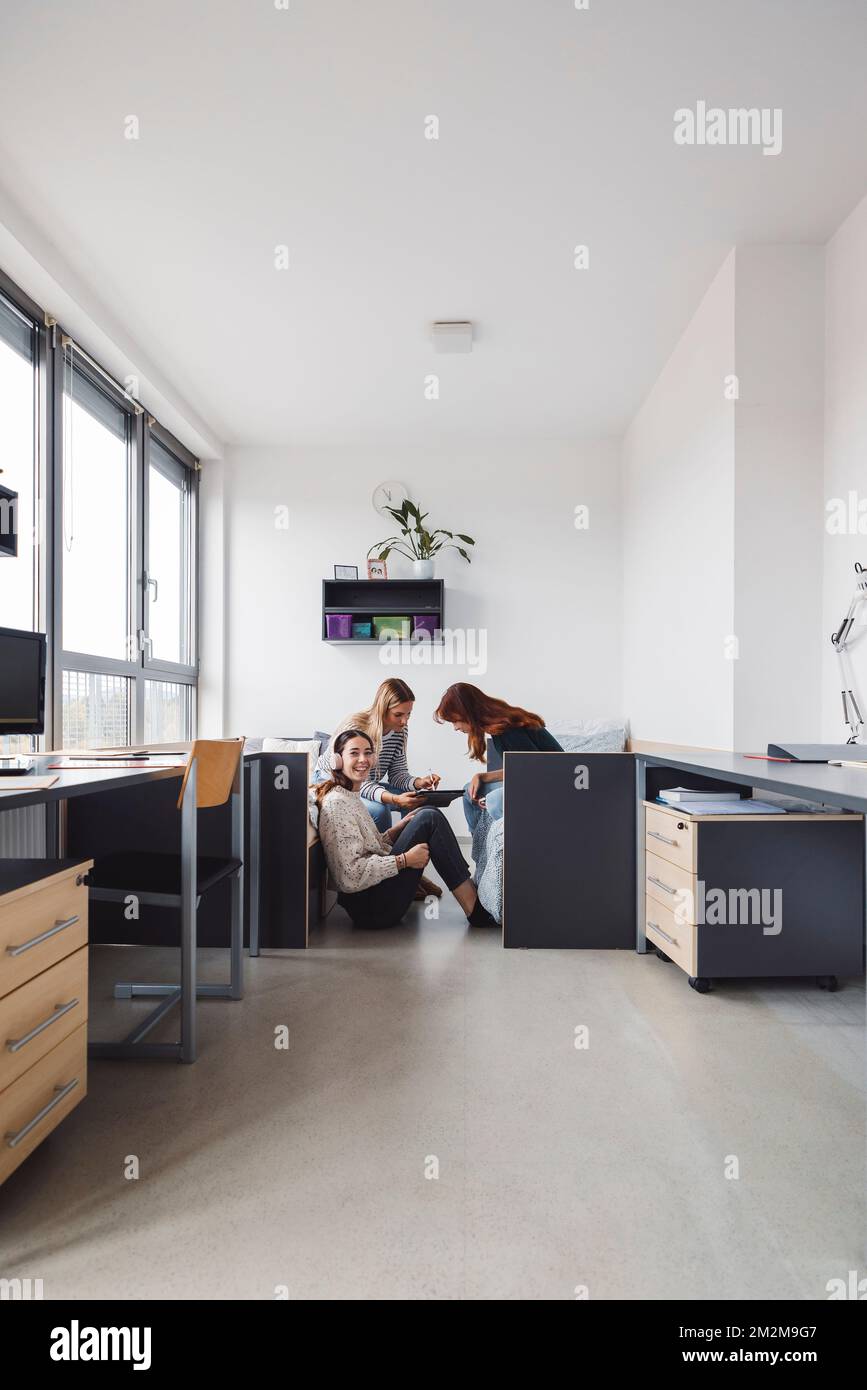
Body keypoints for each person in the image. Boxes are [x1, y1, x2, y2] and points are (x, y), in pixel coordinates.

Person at [313, 727, 497, 930]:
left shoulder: (349, 795)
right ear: (337, 760)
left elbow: (368, 848)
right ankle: (475, 909)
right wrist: (404, 860)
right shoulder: (338, 803)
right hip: (371, 909)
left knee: (424, 812)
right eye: (354, 753)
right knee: (429, 817)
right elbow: (350, 875)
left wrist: (395, 831)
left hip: (373, 897)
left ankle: (472, 896)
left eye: (367, 752)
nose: (363, 759)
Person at [312, 678, 440, 832]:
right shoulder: (356, 727)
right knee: (379, 811)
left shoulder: (400, 731)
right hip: (334, 782)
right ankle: (381, 854)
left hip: (364, 783)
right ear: (382, 709)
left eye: (408, 714)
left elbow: (398, 774)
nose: (404, 721)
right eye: (398, 715)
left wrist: (419, 783)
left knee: (417, 800)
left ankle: (405, 851)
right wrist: (393, 799)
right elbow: (353, 780)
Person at [434, 682, 563, 832]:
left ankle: (507, 844)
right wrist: (482, 776)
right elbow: (519, 767)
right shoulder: (498, 728)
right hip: (536, 777)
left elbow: (532, 772)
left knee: (495, 800)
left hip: (552, 784)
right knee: (469, 790)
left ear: (467, 713)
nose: (455, 727)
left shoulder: (509, 729)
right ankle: (481, 850)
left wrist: (490, 796)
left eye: (455, 721)